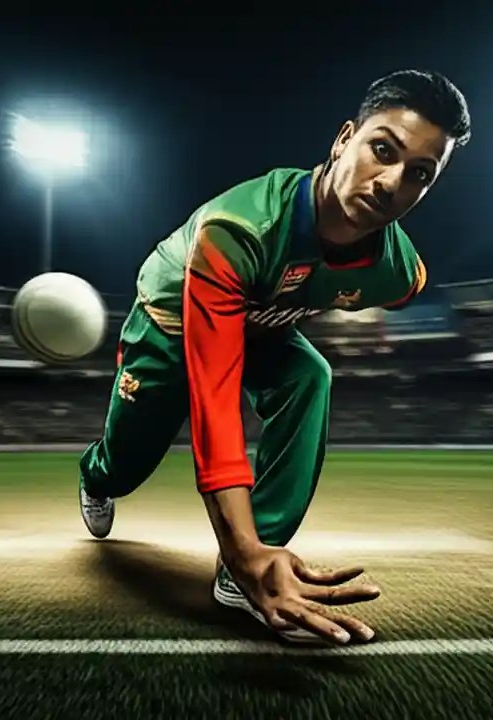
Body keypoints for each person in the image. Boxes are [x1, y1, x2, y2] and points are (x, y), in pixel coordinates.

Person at [78, 69, 471, 645]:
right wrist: (237, 546)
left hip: (259, 330)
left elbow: (374, 289)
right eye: (382, 150)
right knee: (128, 464)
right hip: (172, 323)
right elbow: (215, 400)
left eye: (419, 174)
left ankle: (250, 568)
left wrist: (248, 550)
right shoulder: (238, 231)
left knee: (310, 374)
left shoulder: (399, 274)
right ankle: (96, 475)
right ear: (344, 141)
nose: (391, 182)